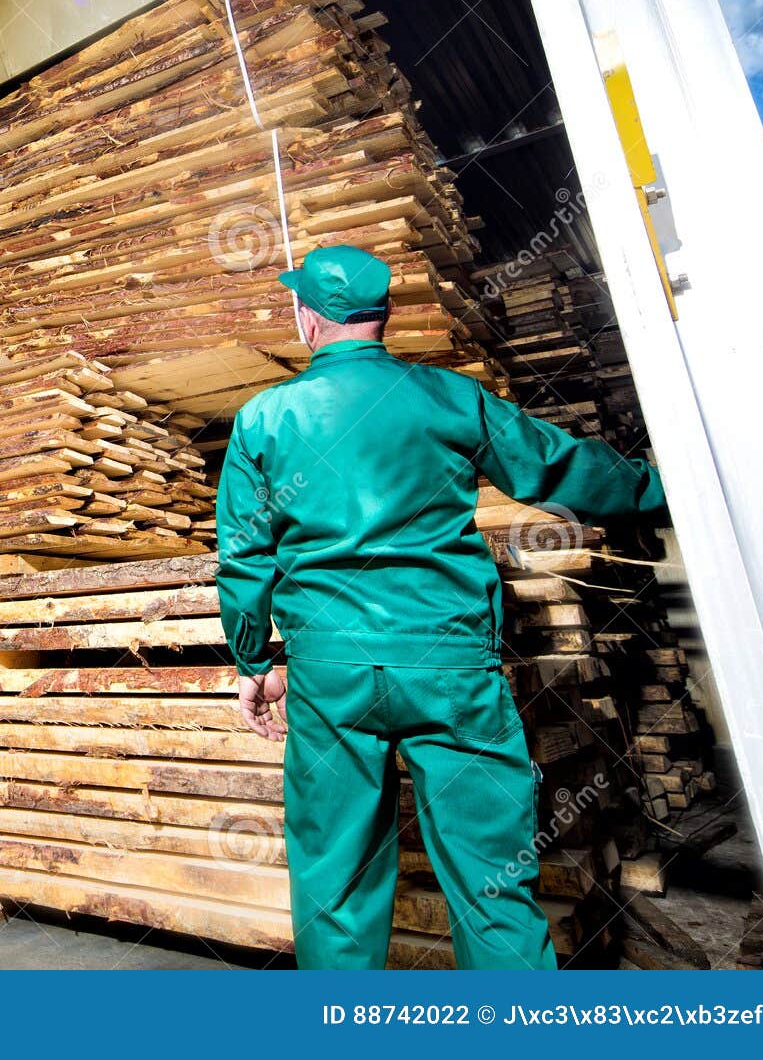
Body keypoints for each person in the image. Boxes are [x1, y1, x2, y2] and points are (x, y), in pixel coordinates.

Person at [216, 245, 665, 969]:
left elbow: (243, 558)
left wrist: (252, 661)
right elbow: (556, 466)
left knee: (335, 883)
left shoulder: (264, 419)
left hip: (333, 676)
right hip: (451, 664)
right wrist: (663, 487)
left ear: (308, 317)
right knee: (492, 888)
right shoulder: (450, 398)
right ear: (381, 315)